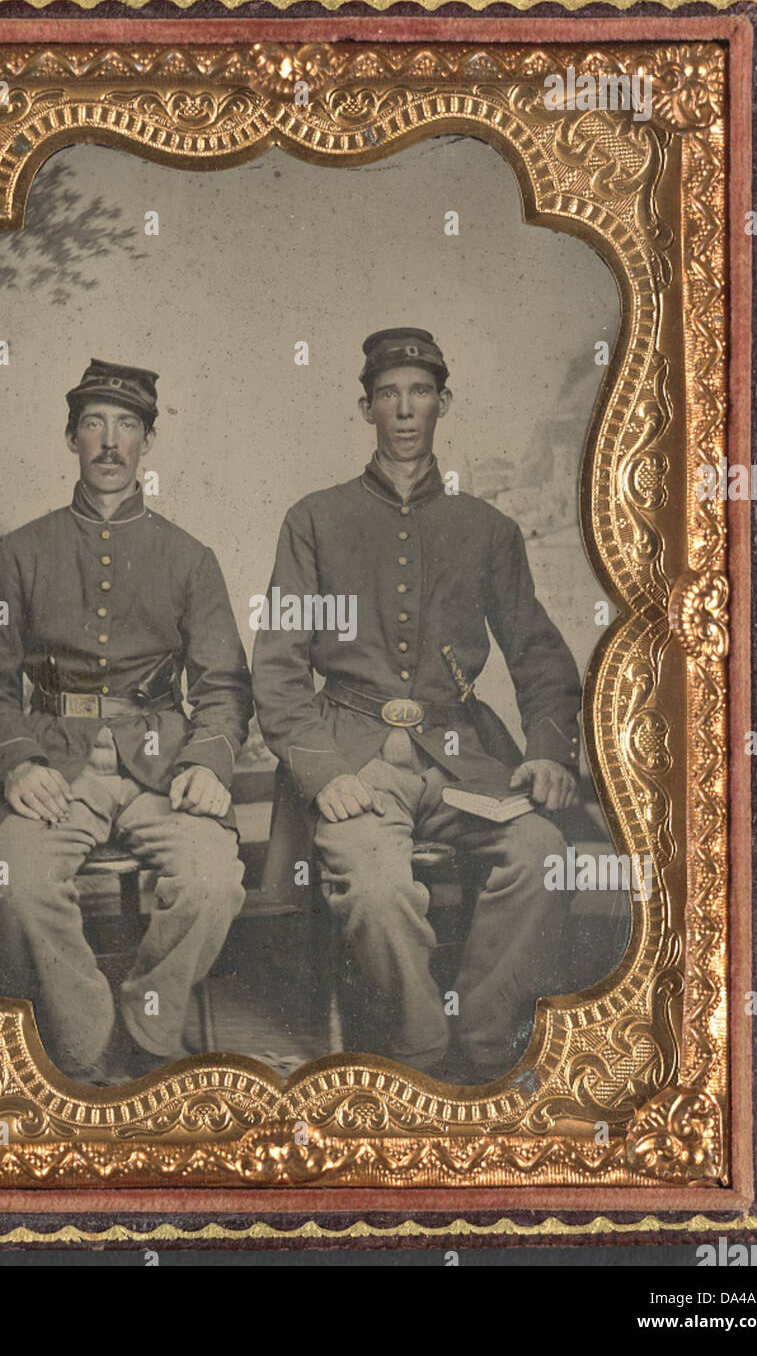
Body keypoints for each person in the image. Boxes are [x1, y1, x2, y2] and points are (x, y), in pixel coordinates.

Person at [252, 328, 582, 1083]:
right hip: (352, 760)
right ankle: (421, 1050)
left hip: (463, 757)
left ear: (443, 403)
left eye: (421, 392)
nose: (406, 410)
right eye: (390, 395)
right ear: (367, 407)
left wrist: (548, 751)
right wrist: (321, 773)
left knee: (544, 858)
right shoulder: (315, 519)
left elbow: (538, 654)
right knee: (372, 884)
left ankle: (487, 1036)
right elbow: (277, 668)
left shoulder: (488, 529)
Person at [0, 358, 252, 1083]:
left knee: (214, 880)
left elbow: (222, 687)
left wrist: (208, 766)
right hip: (54, 764)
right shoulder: (21, 553)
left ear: (148, 443)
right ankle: (89, 1049)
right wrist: (16, 762)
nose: (110, 443)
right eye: (94, 424)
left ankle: (149, 1032)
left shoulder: (190, 558)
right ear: (71, 438)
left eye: (128, 427)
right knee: (11, 883)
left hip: (164, 768)